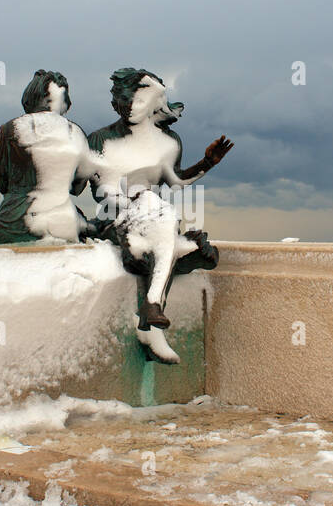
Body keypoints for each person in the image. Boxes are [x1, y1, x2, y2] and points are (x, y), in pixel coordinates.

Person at [87, 67, 233, 362]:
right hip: (115, 218)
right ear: (115, 103)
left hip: (153, 217)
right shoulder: (100, 140)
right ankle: (158, 307)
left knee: (158, 220)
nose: (130, 109)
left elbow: (176, 181)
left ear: (153, 102)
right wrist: (131, 201)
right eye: (124, 103)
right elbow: (99, 191)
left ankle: (152, 310)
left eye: (138, 102)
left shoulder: (169, 142)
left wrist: (207, 163)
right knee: (164, 221)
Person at [0, 69, 99, 244]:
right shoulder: (76, 133)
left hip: (13, 222)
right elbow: (77, 188)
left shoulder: (10, 129)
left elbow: (2, 184)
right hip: (62, 223)